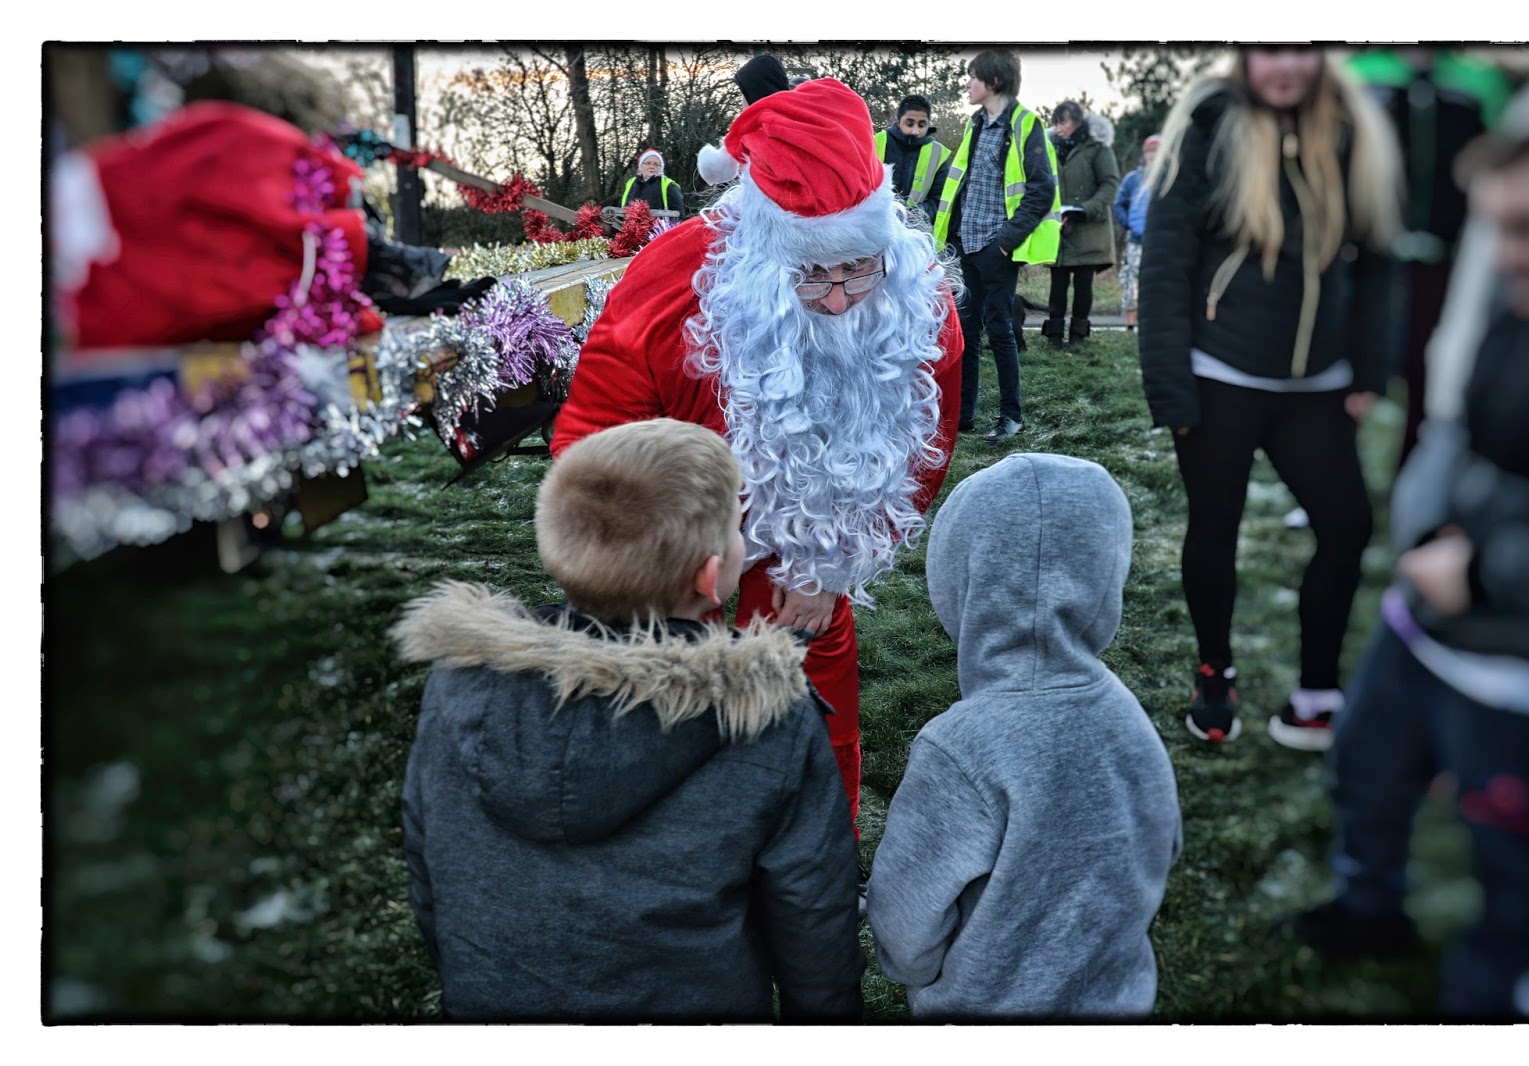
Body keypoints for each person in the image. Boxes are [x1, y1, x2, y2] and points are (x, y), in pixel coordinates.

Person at [555, 78, 965, 854]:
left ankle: (818, 880)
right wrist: (672, 572)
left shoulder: (916, 300)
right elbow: (590, 448)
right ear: (764, 248)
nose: (841, 301)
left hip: (808, 586)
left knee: (816, 754)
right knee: (675, 764)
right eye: (812, 275)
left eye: (858, 271)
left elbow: (922, 450)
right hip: (678, 585)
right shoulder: (674, 282)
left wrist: (835, 566)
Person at [393, 418, 865, 1022]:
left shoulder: (458, 687)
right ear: (710, 573)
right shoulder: (766, 715)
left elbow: (429, 862)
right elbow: (813, 914)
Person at [1289, 74, 1529, 1020]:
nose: (1506, 254)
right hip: (1428, 611)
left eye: (1527, 229)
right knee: (1366, 760)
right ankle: (1371, 905)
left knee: (1514, 874)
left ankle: (1515, 1001)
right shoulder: (1519, 310)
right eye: (1499, 231)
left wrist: (1482, 570)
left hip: (1521, 652)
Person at [1137, 47, 1403, 749]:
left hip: (1317, 384)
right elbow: (1166, 261)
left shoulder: (1353, 126)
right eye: (1269, 47)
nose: (1286, 64)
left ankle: (1317, 691)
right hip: (1218, 374)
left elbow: (1378, 260)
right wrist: (1171, 390)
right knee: (1215, 526)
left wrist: (1371, 372)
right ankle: (1214, 674)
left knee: (1346, 525)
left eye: (1302, 47)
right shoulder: (1210, 122)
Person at [866, 453, 1182, 1019]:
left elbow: (906, 926)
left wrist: (915, 970)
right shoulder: (1129, 719)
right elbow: (1161, 846)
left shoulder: (959, 748)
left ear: (959, 575)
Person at [1345, 47, 1510, 469]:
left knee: (1430, 373)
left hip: (1448, 260)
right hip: (1363, 255)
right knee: (1349, 367)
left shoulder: (1482, 79)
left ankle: (1416, 482)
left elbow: (1502, 163)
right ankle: (1330, 478)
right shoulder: (1356, 72)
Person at [931, 48, 1061, 444]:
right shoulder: (974, 124)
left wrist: (1004, 244)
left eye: (973, 77)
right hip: (965, 246)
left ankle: (1011, 417)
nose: (967, 84)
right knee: (965, 332)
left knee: (1000, 330)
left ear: (994, 83)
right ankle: (964, 416)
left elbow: (1041, 190)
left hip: (996, 248)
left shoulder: (1026, 125)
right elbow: (962, 185)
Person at [1043, 100, 1119, 351]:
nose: (1058, 127)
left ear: (1078, 121)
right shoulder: (1049, 146)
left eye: (1063, 121)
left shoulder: (1097, 148)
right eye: (1055, 122)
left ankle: (1078, 337)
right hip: (1059, 227)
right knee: (1058, 283)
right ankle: (1053, 337)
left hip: (1089, 228)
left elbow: (1109, 184)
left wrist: (1084, 210)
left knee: (1083, 284)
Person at [874, 93, 951, 225]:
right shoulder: (876, 141)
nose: (915, 131)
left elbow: (940, 199)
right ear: (898, 122)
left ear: (928, 124)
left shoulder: (938, 154)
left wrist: (918, 213)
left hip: (915, 230)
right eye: (909, 124)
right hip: (874, 223)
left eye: (922, 125)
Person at [1113, 134, 1161, 331]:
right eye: (1149, 151)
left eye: (1156, 151)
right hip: (1136, 240)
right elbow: (1118, 204)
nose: (1152, 155)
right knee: (1133, 283)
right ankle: (1131, 326)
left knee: (1158, 283)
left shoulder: (1172, 176)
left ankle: (1153, 324)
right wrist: (1129, 224)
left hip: (1161, 242)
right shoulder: (1133, 179)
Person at [619, 147, 684, 218]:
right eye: (648, 163)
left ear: (660, 168)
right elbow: (623, 207)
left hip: (661, 228)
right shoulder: (631, 183)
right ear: (641, 166)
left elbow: (679, 214)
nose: (652, 166)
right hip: (630, 227)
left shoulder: (669, 185)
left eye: (656, 164)